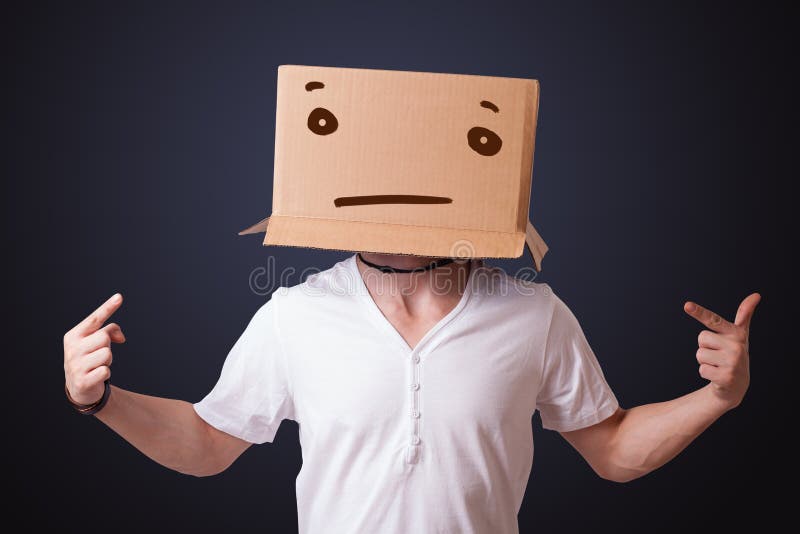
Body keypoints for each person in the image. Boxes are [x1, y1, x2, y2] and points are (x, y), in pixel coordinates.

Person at [62, 252, 760, 533]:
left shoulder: (534, 314)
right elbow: (210, 443)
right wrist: (101, 401)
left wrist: (717, 400)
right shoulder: (295, 314)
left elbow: (610, 450)